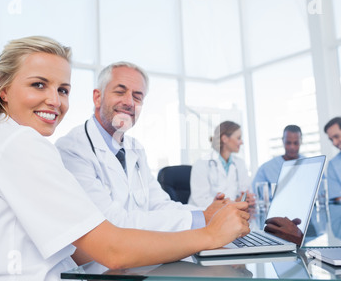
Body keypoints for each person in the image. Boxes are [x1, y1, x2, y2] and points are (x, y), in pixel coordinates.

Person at [0, 36, 250, 281]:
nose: (54, 100)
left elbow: (71, 247)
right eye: (39, 84)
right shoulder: (22, 144)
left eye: (62, 90)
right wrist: (208, 234)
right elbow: (112, 248)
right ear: (5, 90)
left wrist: (201, 220)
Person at [56, 62, 229, 231]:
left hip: (147, 254)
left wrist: (210, 214)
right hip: (101, 260)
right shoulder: (73, 149)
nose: (129, 102)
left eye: (137, 96)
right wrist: (201, 218)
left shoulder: (135, 149)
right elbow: (111, 225)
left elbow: (159, 205)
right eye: (120, 92)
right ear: (97, 97)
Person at [188, 121, 253, 208]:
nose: (241, 142)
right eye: (238, 138)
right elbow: (201, 200)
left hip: (233, 214)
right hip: (205, 216)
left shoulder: (239, 163)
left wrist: (248, 199)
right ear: (225, 139)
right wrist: (234, 202)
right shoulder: (202, 164)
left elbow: (246, 191)